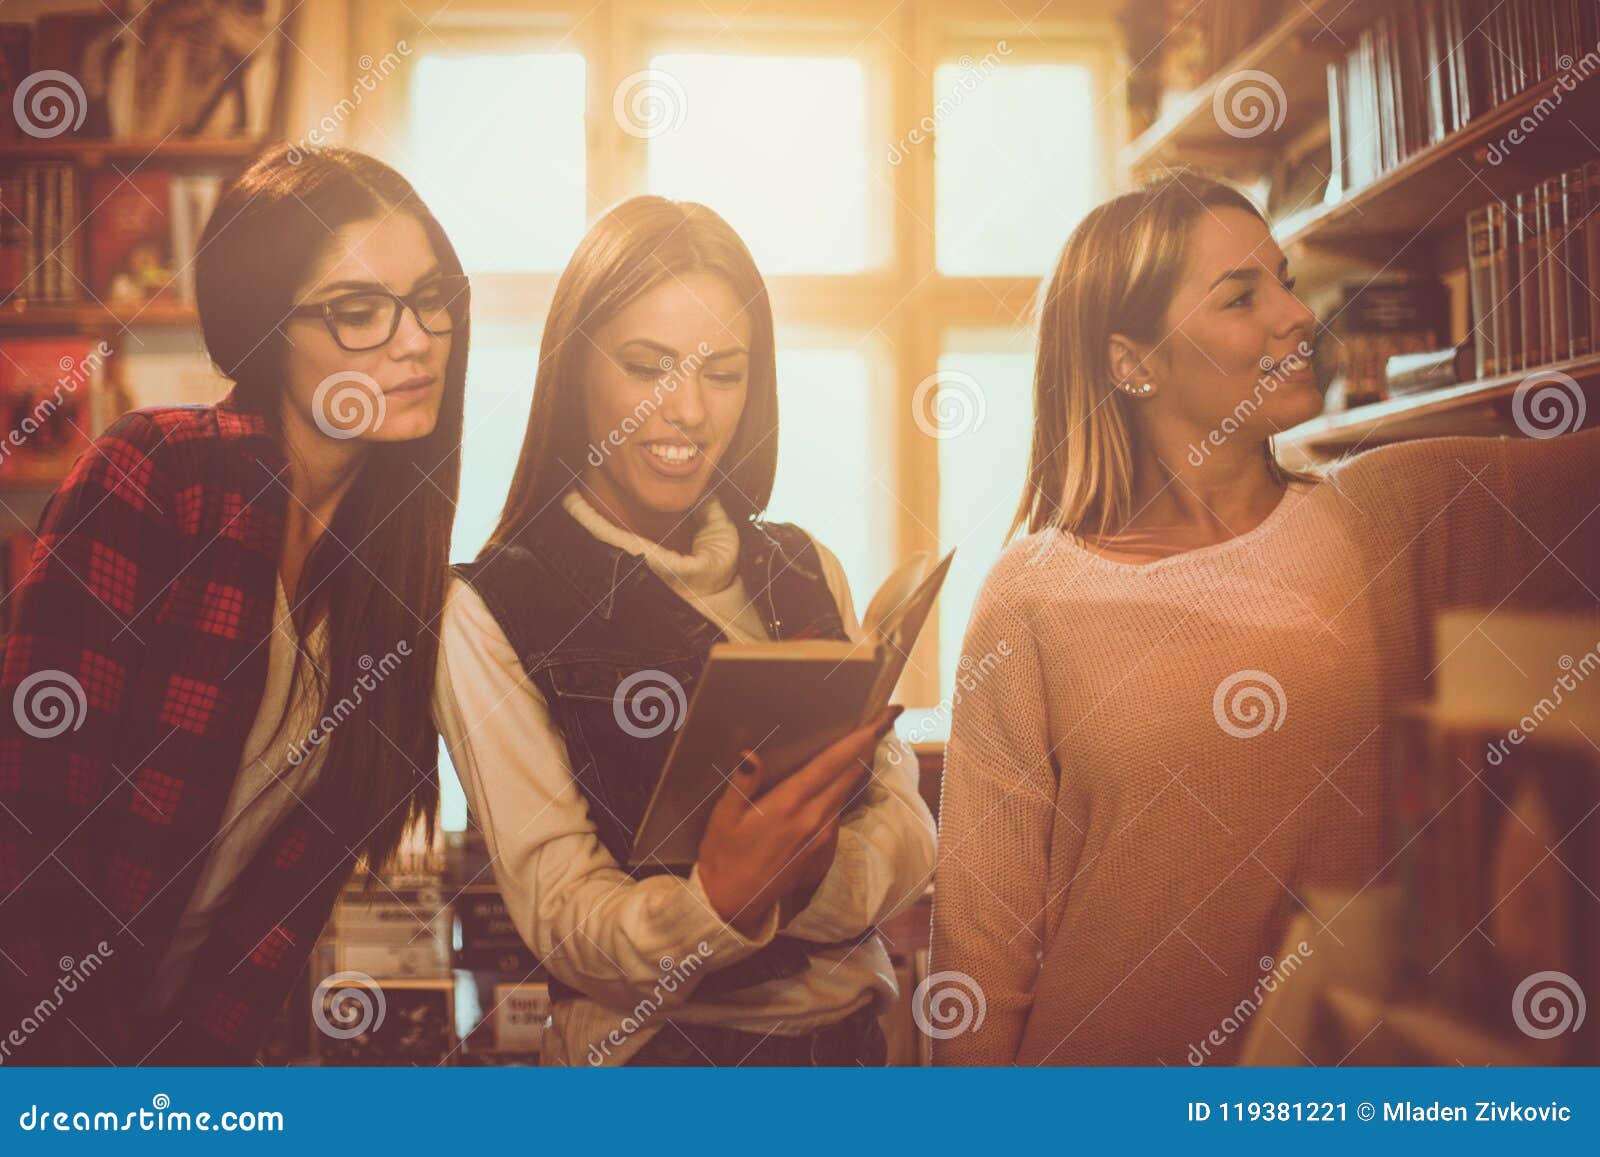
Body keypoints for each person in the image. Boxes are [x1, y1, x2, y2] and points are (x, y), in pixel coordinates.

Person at [930, 168, 1599, 1065]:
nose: (1297, 314)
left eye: (1283, 278)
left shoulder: (1394, 517)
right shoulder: (1028, 598)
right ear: (1132, 362)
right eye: (1243, 296)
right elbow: (981, 951)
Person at [433, 195, 936, 1066]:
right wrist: (718, 901)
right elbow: (565, 920)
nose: (689, 411)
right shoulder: (490, 607)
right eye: (647, 365)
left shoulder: (805, 565)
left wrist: (802, 876)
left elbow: (910, 829)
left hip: (854, 1057)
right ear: (573, 371)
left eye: (724, 372)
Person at [0, 144, 470, 1064]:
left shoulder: (397, 584)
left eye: (433, 297)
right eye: (360, 311)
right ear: (269, 329)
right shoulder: (161, 475)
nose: (416, 339)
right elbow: (29, 833)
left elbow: (273, 924)